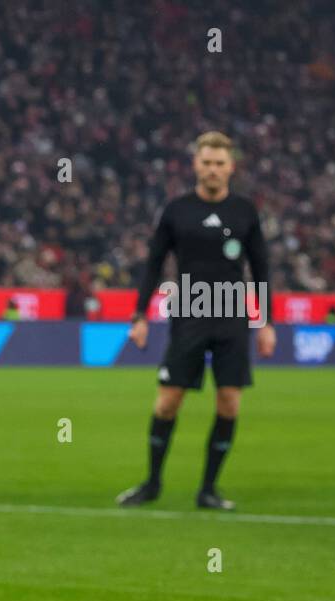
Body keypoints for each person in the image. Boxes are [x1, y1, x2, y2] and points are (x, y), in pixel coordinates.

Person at [117, 132, 276, 511]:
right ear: (196, 165)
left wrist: (265, 322)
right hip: (190, 313)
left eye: (220, 163)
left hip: (232, 316)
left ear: (231, 167)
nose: (213, 170)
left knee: (229, 402)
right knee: (168, 401)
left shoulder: (244, 211)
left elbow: (261, 267)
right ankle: (152, 483)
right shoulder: (176, 210)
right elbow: (154, 264)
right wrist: (140, 314)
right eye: (207, 162)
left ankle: (208, 489)